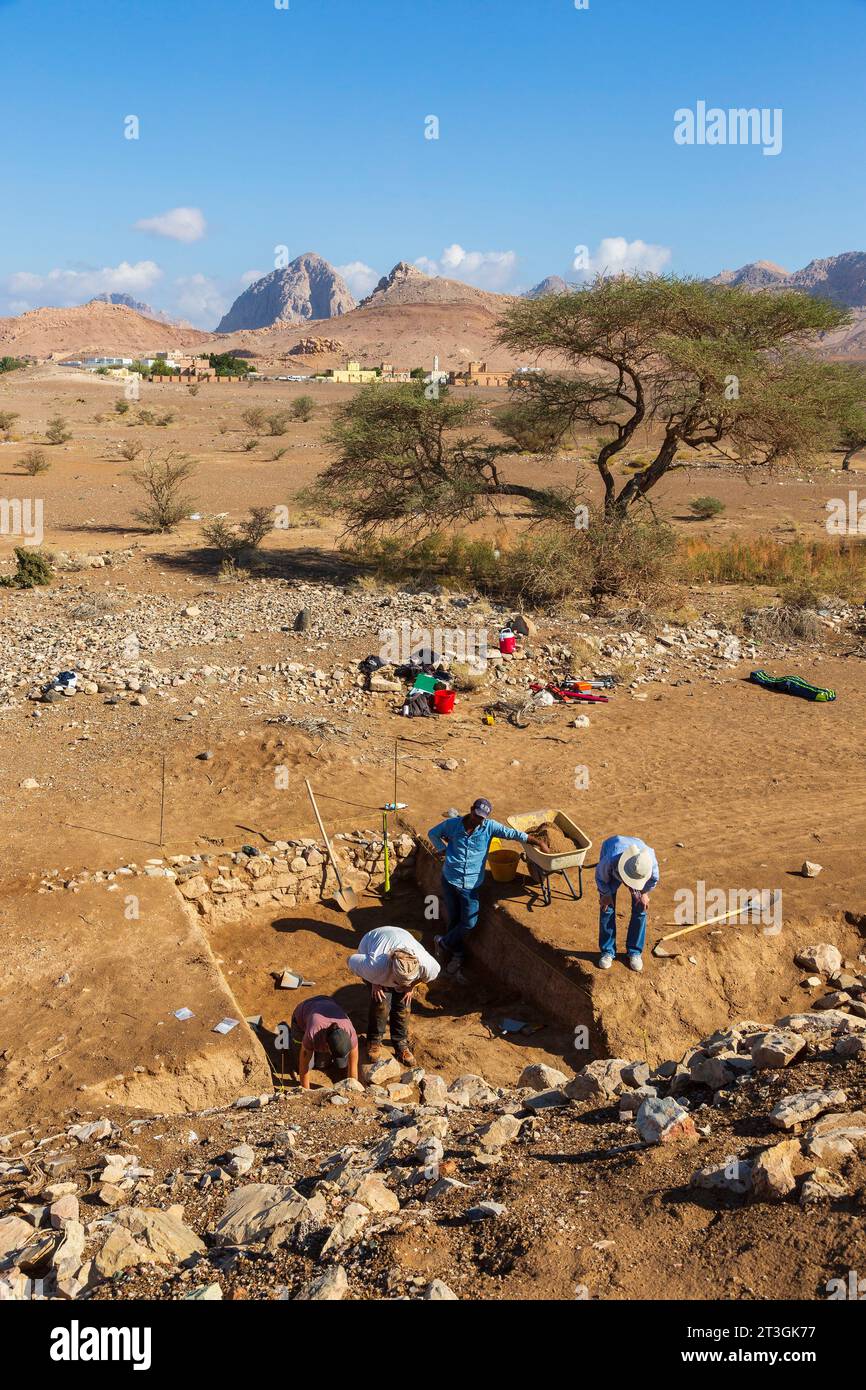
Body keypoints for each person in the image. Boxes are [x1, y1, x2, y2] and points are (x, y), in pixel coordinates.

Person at [428, 799, 542, 973]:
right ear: (471, 810)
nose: (478, 820)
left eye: (482, 817)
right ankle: (456, 955)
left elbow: (513, 834)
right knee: (454, 919)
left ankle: (442, 943)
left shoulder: (490, 827)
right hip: (450, 879)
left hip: (470, 886)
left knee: (469, 923)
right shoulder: (452, 825)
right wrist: (441, 849)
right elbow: (433, 833)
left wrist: (538, 842)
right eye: (476, 815)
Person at [347, 925, 439, 1065]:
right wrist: (374, 982)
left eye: (406, 982)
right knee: (381, 1004)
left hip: (403, 935)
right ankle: (374, 1040)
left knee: (404, 1006)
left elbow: (432, 973)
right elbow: (350, 959)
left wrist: (411, 987)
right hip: (372, 940)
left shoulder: (426, 965)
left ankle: (400, 1043)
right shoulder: (375, 966)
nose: (400, 986)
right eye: (397, 982)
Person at [595, 835, 659, 972]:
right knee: (607, 907)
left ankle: (635, 952)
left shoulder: (651, 865)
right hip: (613, 861)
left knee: (641, 907)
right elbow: (600, 878)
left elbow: (652, 882)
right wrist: (605, 894)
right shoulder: (610, 859)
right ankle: (607, 951)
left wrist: (644, 893)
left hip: (636, 860)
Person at [289, 995, 359, 1089]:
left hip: (327, 1002)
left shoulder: (351, 1033)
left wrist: (354, 1090)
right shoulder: (313, 1032)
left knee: (322, 1065)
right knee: (301, 1064)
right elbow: (303, 1064)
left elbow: (353, 1068)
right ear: (327, 1045)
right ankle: (287, 1033)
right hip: (302, 1017)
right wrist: (306, 1092)